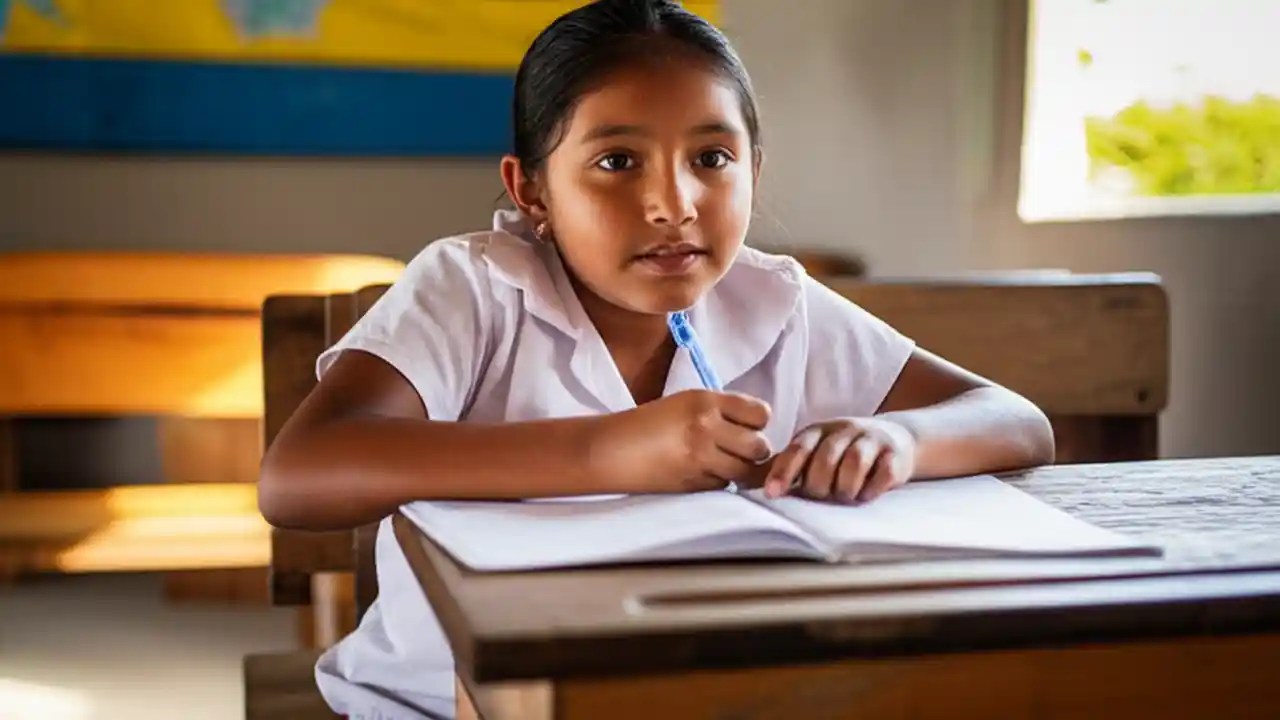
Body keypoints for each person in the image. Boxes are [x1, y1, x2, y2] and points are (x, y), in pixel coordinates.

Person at [258, 1, 1055, 716]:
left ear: (754, 170)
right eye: (617, 162)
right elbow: (299, 477)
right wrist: (609, 449)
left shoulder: (772, 299)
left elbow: (1014, 421)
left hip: (689, 688)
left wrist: (899, 440)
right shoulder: (475, 286)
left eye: (712, 158)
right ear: (531, 191)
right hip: (438, 701)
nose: (674, 202)